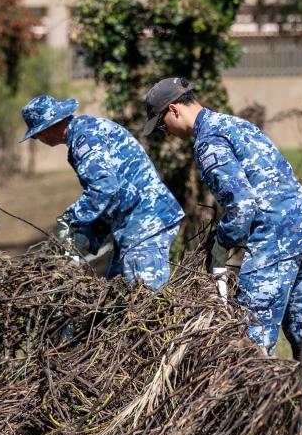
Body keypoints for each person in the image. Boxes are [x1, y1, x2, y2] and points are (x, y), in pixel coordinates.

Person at [141, 77, 302, 358]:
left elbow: (242, 203)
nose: (166, 133)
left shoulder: (208, 142)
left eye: (162, 124)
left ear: (175, 109)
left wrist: (222, 242)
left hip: (273, 244)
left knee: (253, 340)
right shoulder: (235, 124)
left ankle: (259, 401)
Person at [20, 94, 183, 290]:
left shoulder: (84, 139)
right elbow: (111, 196)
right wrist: (88, 236)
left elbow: (104, 186)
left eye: (37, 133)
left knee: (144, 300)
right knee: (115, 293)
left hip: (146, 223)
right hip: (135, 223)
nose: (38, 138)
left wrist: (71, 218)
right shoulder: (85, 132)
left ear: (48, 127)